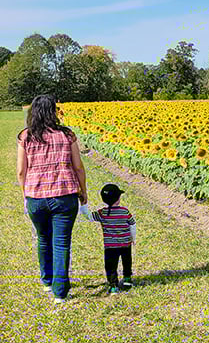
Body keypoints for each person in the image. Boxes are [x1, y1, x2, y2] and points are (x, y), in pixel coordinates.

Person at [16, 94, 88, 304]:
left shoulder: (25, 136)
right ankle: (60, 292)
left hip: (36, 196)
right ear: (54, 112)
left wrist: (25, 195)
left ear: (33, 113)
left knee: (43, 238)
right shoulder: (67, 135)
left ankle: (47, 281)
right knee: (61, 242)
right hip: (65, 195)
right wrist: (83, 191)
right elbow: (78, 167)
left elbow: (21, 171)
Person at [79, 184, 136, 295]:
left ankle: (113, 286)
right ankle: (127, 279)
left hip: (110, 247)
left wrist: (83, 205)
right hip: (125, 244)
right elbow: (132, 224)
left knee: (111, 266)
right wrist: (133, 238)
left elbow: (89, 216)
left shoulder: (102, 213)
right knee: (127, 261)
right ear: (118, 199)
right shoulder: (125, 212)